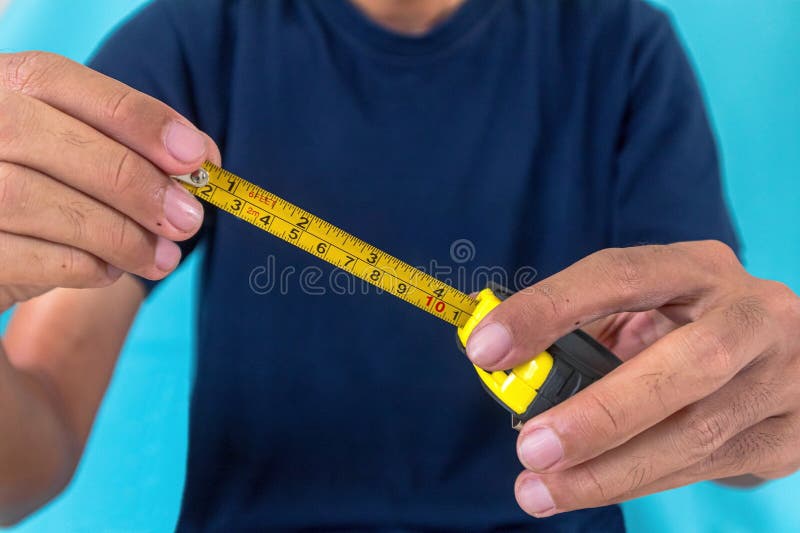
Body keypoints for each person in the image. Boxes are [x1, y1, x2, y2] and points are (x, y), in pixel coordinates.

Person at [0, 0, 798, 530]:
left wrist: (752, 393)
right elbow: (36, 440)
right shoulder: (192, 41)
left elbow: (713, 386)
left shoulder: (622, 48)